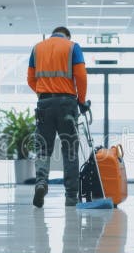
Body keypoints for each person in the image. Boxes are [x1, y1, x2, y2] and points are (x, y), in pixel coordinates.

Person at [27, 27, 88, 208]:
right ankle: (70, 196)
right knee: (69, 150)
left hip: (44, 104)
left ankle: (41, 183)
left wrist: (42, 94)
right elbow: (81, 76)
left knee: (43, 148)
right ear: (67, 36)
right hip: (66, 104)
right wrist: (82, 101)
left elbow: (30, 79)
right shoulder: (72, 47)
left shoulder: (37, 48)